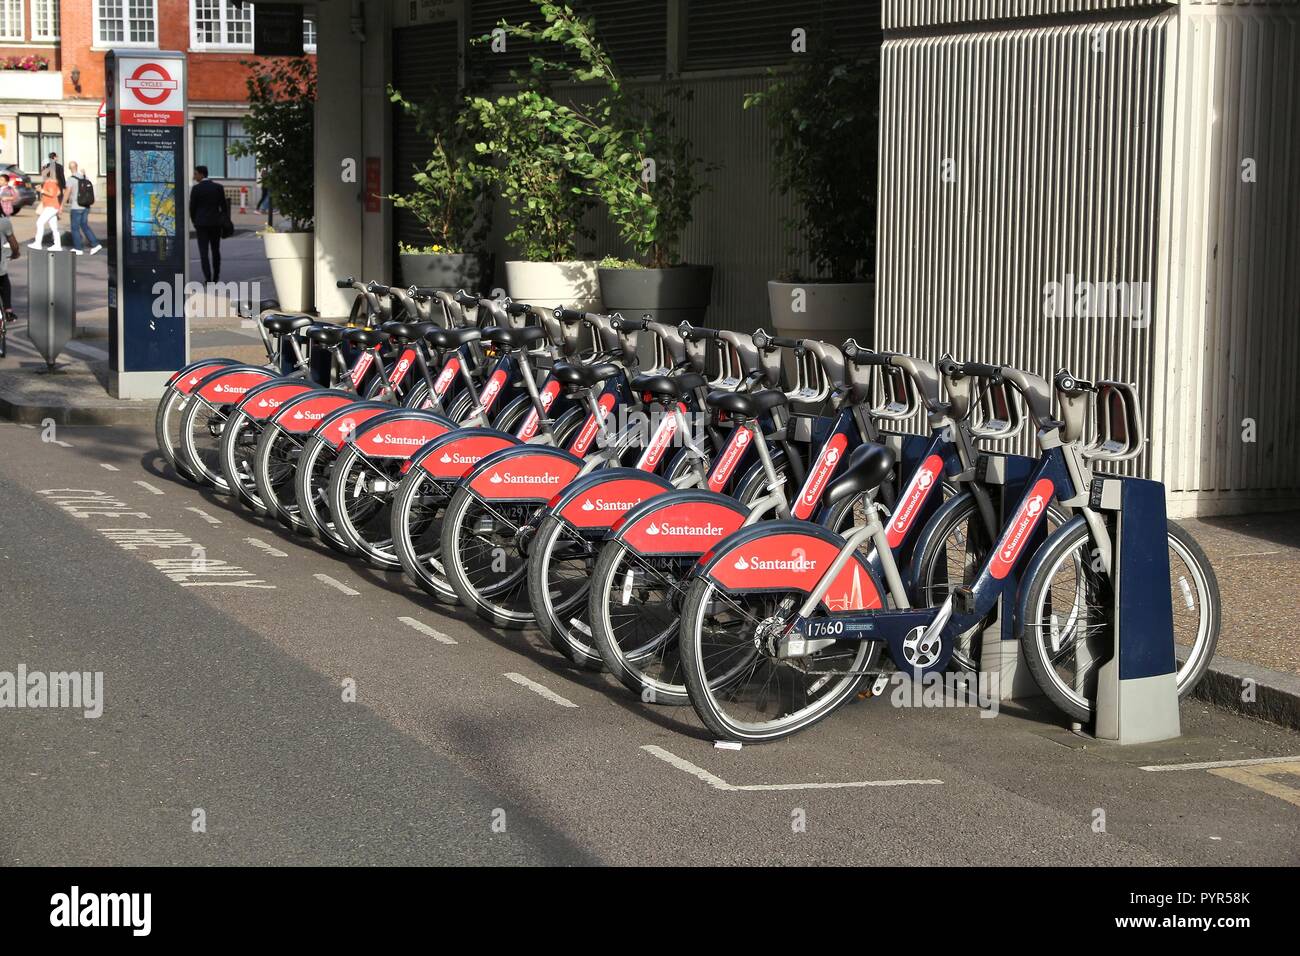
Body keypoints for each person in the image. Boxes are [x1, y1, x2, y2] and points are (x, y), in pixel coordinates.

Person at [189, 165, 229, 283]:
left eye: (195, 174)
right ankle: (216, 276)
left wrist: (194, 221)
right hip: (215, 223)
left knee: (203, 252)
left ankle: (208, 278)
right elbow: (223, 207)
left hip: (201, 224)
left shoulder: (196, 189)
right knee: (215, 250)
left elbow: (192, 208)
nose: (194, 176)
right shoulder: (218, 187)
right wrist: (223, 221)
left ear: (202, 174)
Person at [65, 161, 102, 255]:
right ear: (77, 167)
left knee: (75, 228)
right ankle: (95, 244)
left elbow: (68, 192)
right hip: (86, 206)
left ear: (69, 168)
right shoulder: (84, 177)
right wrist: (84, 173)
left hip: (76, 206)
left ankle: (78, 248)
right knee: (84, 226)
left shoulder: (70, 179)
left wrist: (61, 204)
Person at [29, 168, 63, 251]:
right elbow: (58, 193)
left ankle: (38, 243)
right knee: (54, 227)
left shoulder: (49, 183)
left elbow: (51, 193)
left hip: (50, 206)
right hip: (54, 206)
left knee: (39, 223)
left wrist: (42, 190)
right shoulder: (55, 183)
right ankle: (57, 245)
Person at [0, 203, 19, 323]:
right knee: (4, 282)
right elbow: (13, 243)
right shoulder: (4, 222)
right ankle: (8, 311)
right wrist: (15, 253)